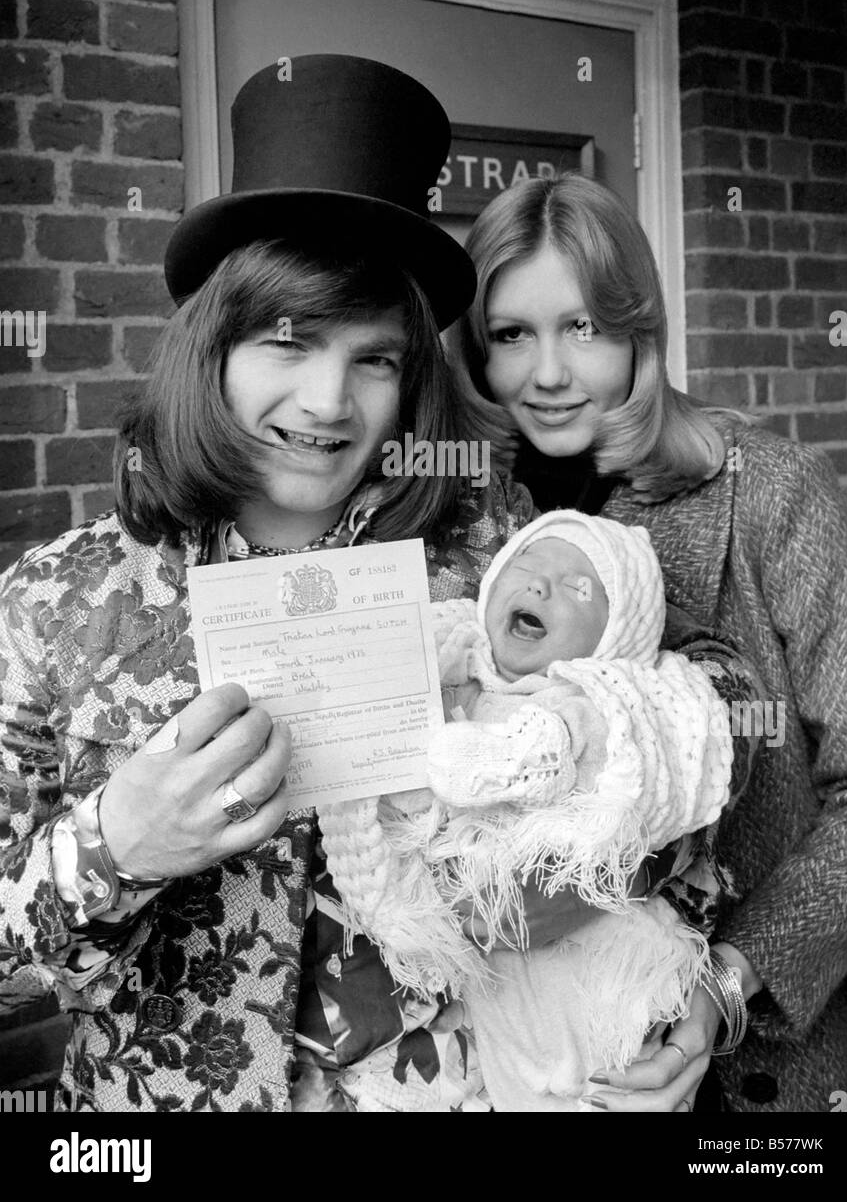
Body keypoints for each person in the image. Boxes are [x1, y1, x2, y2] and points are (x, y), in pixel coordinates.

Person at [0, 56, 533, 1113]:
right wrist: (115, 846)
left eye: (375, 358)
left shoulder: (487, 569)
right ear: (214, 344)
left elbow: (630, 793)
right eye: (287, 340)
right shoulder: (58, 600)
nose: (329, 400)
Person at [451, 171, 847, 1112]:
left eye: (584, 328)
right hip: (551, 1062)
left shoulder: (765, 488)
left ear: (640, 330)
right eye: (512, 334)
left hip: (766, 1064)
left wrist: (727, 984)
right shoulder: (471, 528)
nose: (547, 373)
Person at [321, 509, 734, 1112]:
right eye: (525, 565)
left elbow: (539, 758)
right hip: (490, 977)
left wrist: (458, 758)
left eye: (579, 587)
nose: (541, 584)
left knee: (600, 1079)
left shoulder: (592, 706)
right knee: (517, 1077)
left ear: (614, 637)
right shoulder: (456, 674)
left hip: (589, 956)